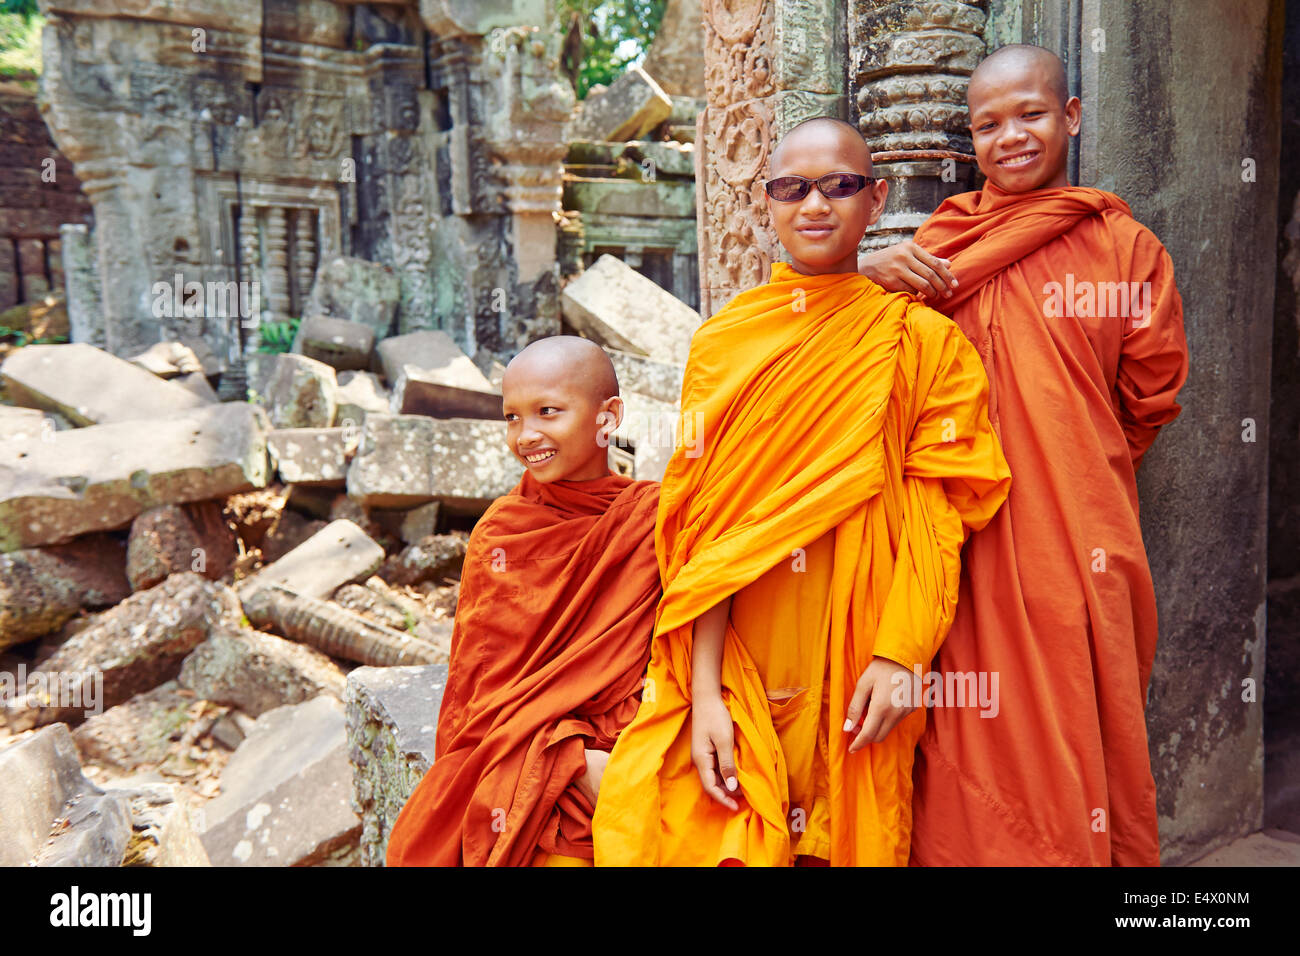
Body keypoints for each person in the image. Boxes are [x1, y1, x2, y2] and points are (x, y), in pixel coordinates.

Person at [591, 117, 1011, 866]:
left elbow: (940, 512)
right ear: (767, 202)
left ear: (876, 200)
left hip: (862, 641)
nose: (814, 205)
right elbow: (706, 538)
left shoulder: (923, 342)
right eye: (792, 188)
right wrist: (705, 692)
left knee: (845, 834)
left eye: (840, 185)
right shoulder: (724, 344)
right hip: (747, 648)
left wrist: (900, 655)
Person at [861, 44, 1189, 866]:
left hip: (1074, 531)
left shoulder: (1126, 250)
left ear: (1070, 117)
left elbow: (1149, 399)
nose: (1010, 136)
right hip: (953, 535)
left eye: (1031, 114)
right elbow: (862, 368)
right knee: (967, 727)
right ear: (970, 141)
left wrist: (1070, 459)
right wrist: (868, 275)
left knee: (1072, 712)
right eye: (988, 124)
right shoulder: (939, 244)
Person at [385, 336, 662, 867]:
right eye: (511, 417)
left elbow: (671, 648)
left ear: (609, 417)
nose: (526, 435)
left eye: (548, 412)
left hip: (629, 742)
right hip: (527, 761)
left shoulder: (651, 517)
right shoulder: (501, 534)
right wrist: (570, 760)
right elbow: (480, 694)